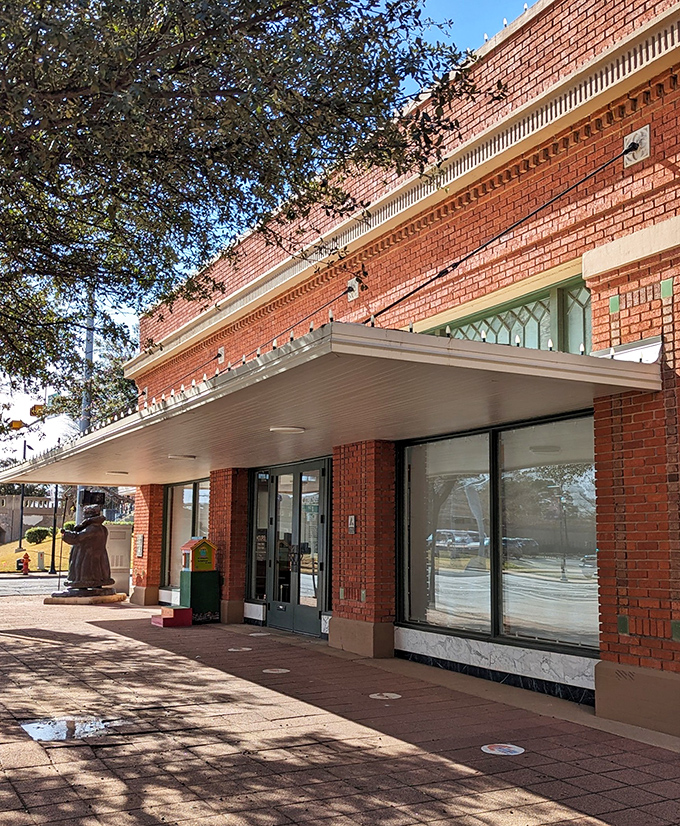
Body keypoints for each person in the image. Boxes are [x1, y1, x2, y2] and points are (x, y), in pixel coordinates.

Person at [62, 504, 114, 589]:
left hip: (87, 556)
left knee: (86, 574)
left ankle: (84, 584)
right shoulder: (102, 528)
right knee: (97, 573)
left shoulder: (92, 528)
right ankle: (97, 584)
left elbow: (78, 537)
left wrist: (66, 534)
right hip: (98, 555)